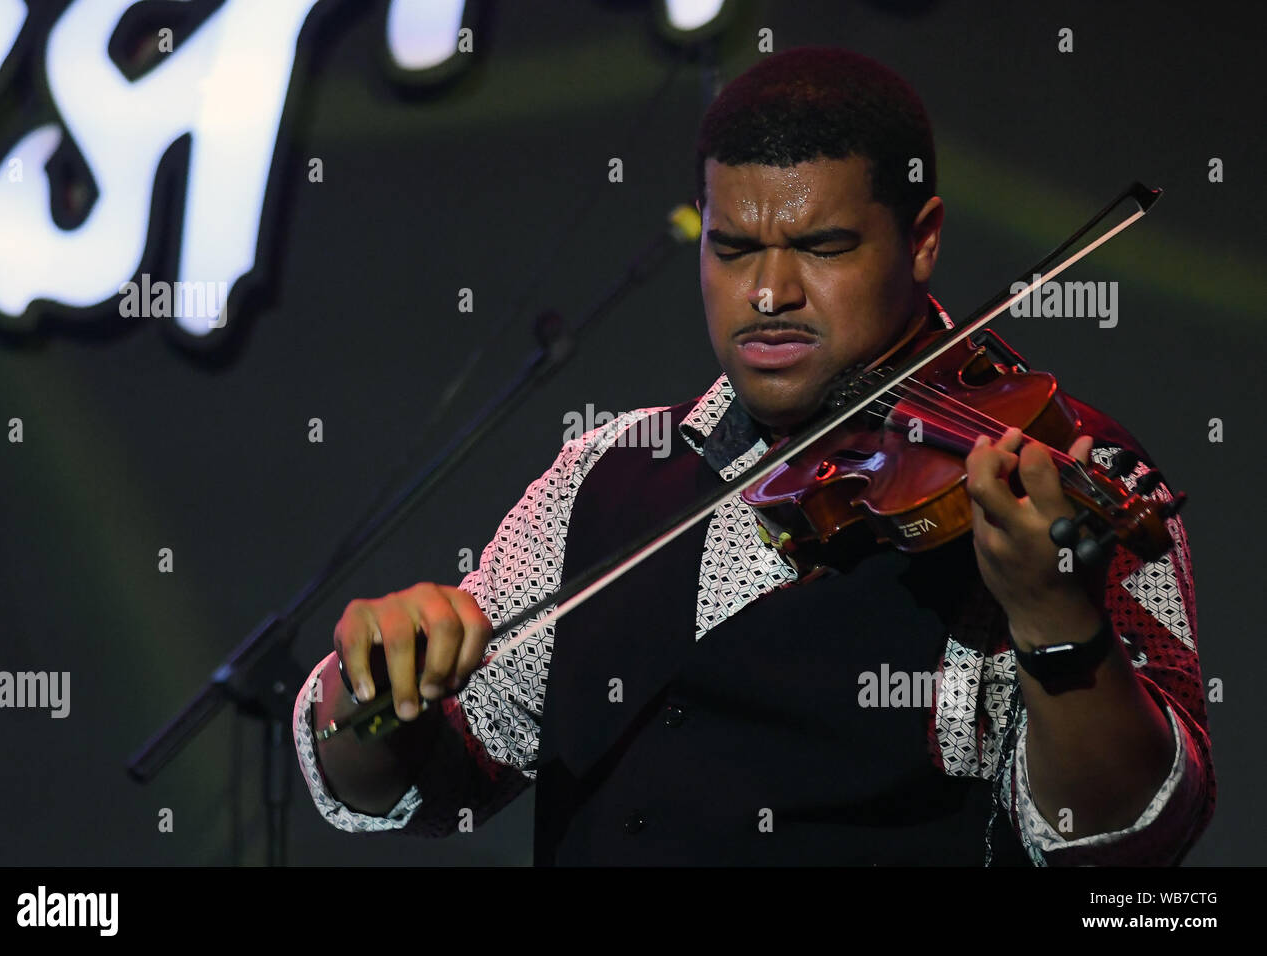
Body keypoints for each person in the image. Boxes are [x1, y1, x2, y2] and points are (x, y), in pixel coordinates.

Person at [291, 46, 1214, 865]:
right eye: (733, 249)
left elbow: (1129, 839)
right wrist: (370, 689)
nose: (769, 292)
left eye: (822, 247)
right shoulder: (602, 473)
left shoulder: (1042, 471)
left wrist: (1059, 626)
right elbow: (425, 784)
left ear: (923, 239)